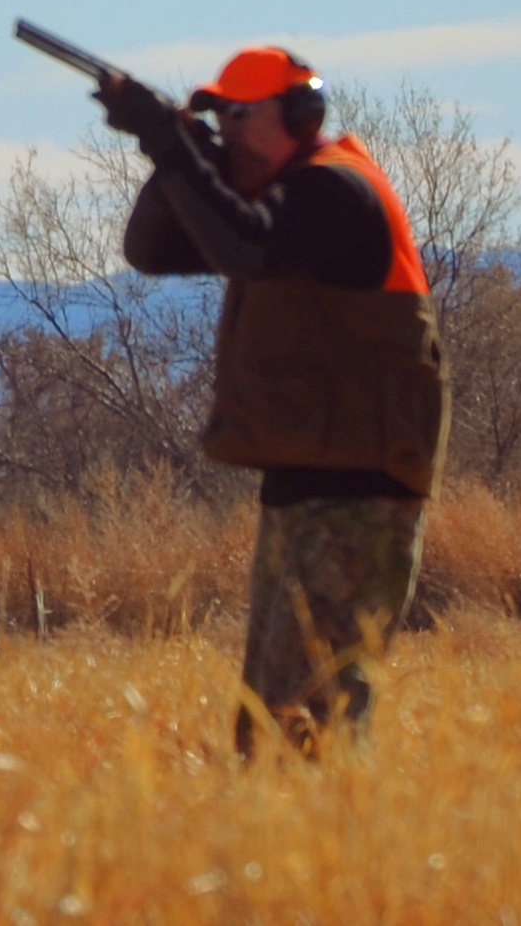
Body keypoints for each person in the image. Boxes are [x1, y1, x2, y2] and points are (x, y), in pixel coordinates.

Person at [97, 45, 449, 757]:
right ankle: (297, 852)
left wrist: (173, 147)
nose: (226, 132)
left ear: (299, 113)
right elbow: (152, 250)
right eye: (217, 118)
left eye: (239, 115)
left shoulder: (335, 193)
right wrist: (177, 157)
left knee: (304, 726)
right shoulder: (276, 204)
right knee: (273, 722)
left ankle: (333, 856)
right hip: (306, 490)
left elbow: (245, 249)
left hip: (358, 496)